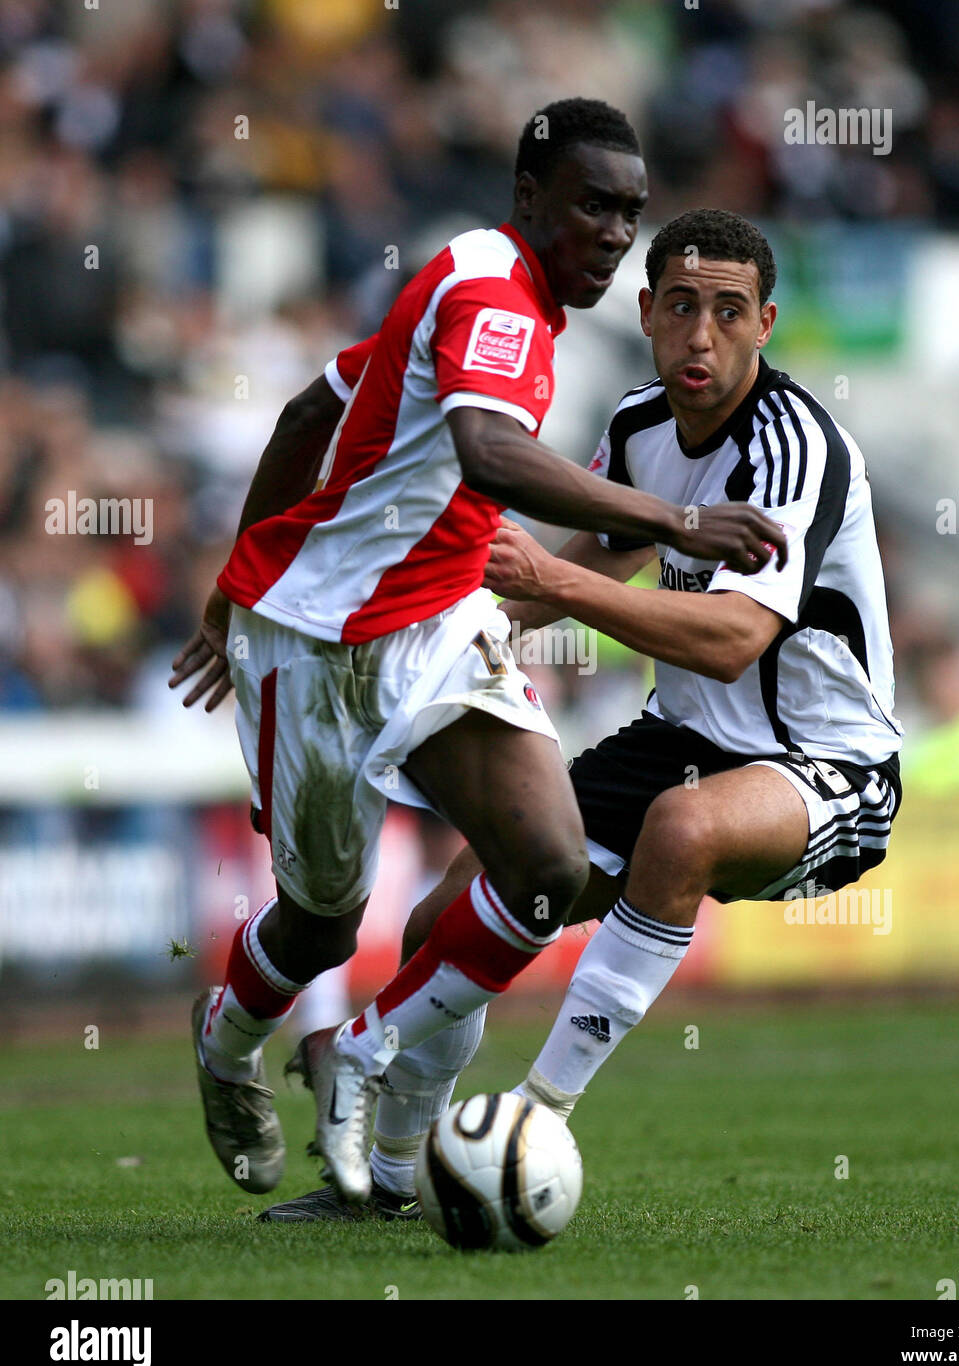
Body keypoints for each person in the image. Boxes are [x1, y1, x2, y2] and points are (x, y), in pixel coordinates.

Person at [170, 105, 788, 1209]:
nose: (612, 232)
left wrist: (229, 575)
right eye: (592, 205)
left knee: (550, 863)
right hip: (316, 640)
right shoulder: (492, 290)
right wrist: (677, 521)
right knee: (320, 923)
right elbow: (490, 452)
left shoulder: (493, 294)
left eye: (628, 213)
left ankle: (369, 1081)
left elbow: (318, 405)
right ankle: (226, 1046)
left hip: (440, 625)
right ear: (528, 197)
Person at [258, 207, 903, 1223]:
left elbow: (733, 637)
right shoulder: (642, 425)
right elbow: (586, 568)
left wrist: (555, 580)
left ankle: (532, 1113)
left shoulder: (794, 448)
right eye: (681, 307)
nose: (701, 335)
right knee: (451, 911)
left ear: (766, 322)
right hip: (681, 744)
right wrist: (459, 627)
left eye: (729, 312)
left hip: (825, 762)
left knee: (679, 830)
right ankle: (382, 1183)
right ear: (645, 312)